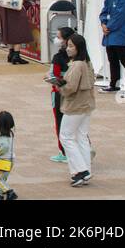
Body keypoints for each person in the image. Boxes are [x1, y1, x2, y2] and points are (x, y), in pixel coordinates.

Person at [55, 33, 96, 187]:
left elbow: (70, 87)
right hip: (87, 105)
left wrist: (59, 85)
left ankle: (80, 170)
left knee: (66, 136)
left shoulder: (77, 65)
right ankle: (86, 170)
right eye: (68, 45)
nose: (68, 49)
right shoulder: (87, 62)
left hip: (75, 106)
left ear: (79, 48)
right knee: (82, 136)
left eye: (71, 46)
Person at [48, 25, 75, 163]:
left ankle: (64, 151)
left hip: (60, 93)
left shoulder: (58, 57)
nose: (56, 39)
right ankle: (81, 148)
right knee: (76, 123)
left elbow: (54, 75)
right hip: (75, 94)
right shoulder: (79, 57)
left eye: (59, 37)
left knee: (60, 121)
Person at [0, 111, 17, 200]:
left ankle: (9, 191)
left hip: (3, 160)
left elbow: (4, 147)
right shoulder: (10, 133)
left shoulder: (3, 136)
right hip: (10, 160)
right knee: (2, 179)